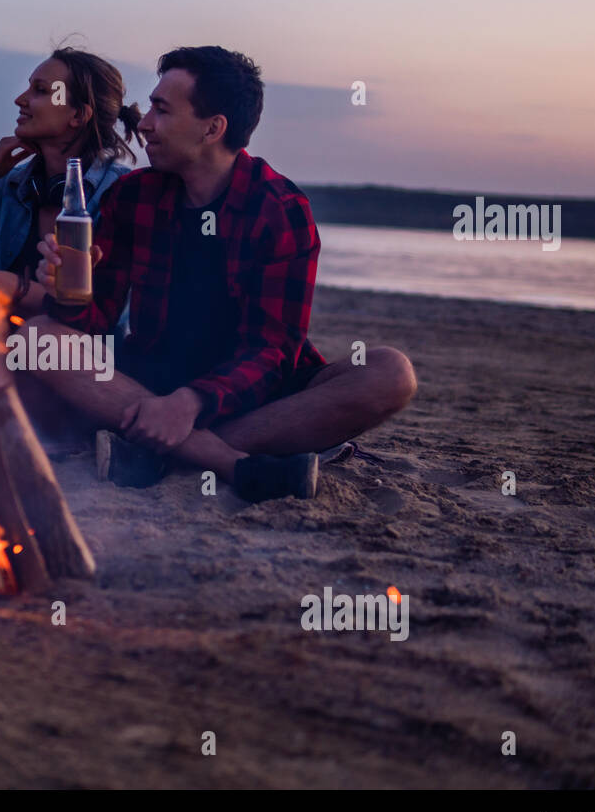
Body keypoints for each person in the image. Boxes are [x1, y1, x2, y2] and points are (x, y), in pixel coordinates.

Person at [29, 46, 417, 501]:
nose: (144, 124)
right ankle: (232, 462)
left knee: (391, 371)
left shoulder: (281, 209)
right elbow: (99, 320)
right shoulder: (134, 196)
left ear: (213, 128)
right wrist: (65, 296)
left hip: (254, 395)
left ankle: (159, 451)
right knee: (40, 338)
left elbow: (274, 350)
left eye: (162, 109)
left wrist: (191, 402)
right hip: (151, 383)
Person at [0, 47, 143, 316]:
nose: (19, 99)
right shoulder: (7, 188)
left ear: (78, 115)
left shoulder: (122, 193)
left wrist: (12, 286)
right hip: (2, 344)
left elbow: (110, 314)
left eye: (41, 90)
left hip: (83, 351)